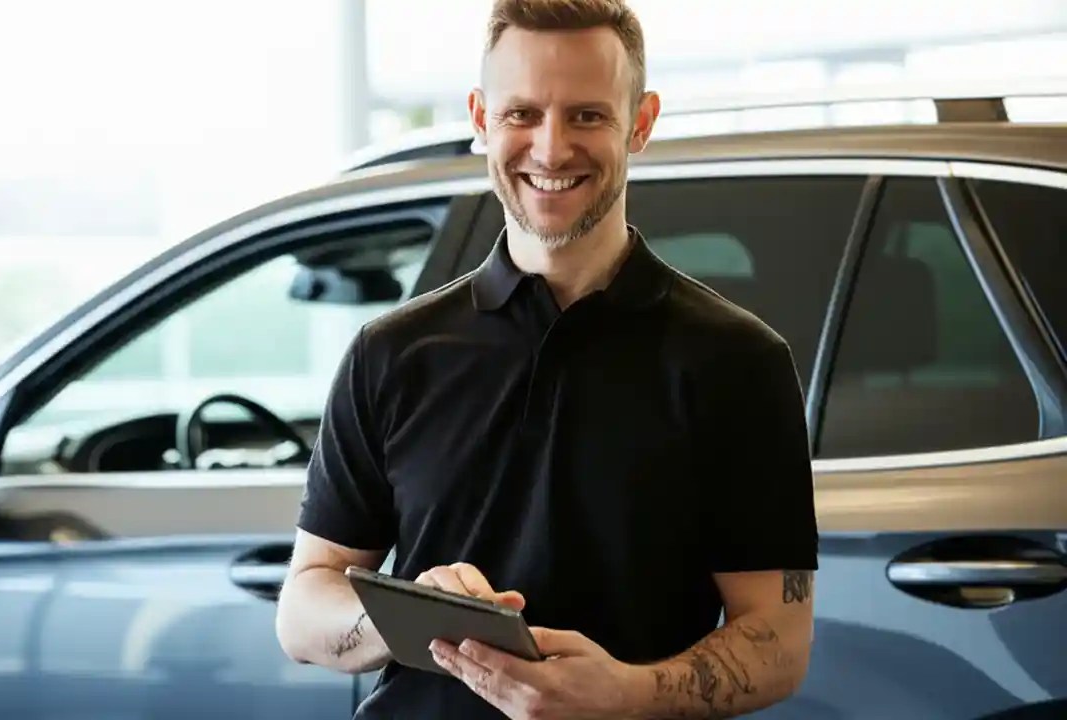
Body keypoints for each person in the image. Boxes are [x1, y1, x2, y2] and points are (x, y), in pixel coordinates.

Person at [275, 0, 818, 717]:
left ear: (642, 122)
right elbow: (304, 607)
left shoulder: (736, 361)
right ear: (480, 119)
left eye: (587, 116)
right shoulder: (393, 353)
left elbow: (778, 640)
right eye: (522, 114)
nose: (552, 149)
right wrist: (404, 611)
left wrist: (625, 693)